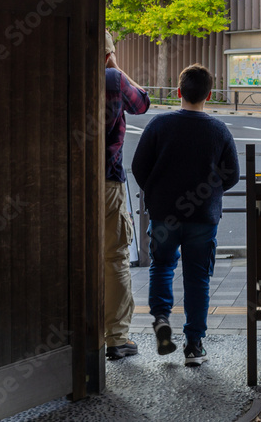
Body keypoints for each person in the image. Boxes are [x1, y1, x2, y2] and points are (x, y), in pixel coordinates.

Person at [131, 64, 240, 366]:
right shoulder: (218, 130)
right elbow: (232, 175)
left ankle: (162, 321)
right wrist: (211, 190)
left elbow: (139, 167)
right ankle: (194, 344)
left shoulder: (159, 125)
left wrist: (155, 193)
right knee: (197, 278)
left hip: (164, 214)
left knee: (162, 266)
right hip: (203, 218)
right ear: (208, 95)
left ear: (179, 92)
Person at [104, 30, 150, 360]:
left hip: (65, 185)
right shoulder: (113, 80)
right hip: (108, 183)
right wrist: (116, 67)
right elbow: (142, 103)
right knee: (115, 257)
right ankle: (117, 338)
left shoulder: (59, 71)